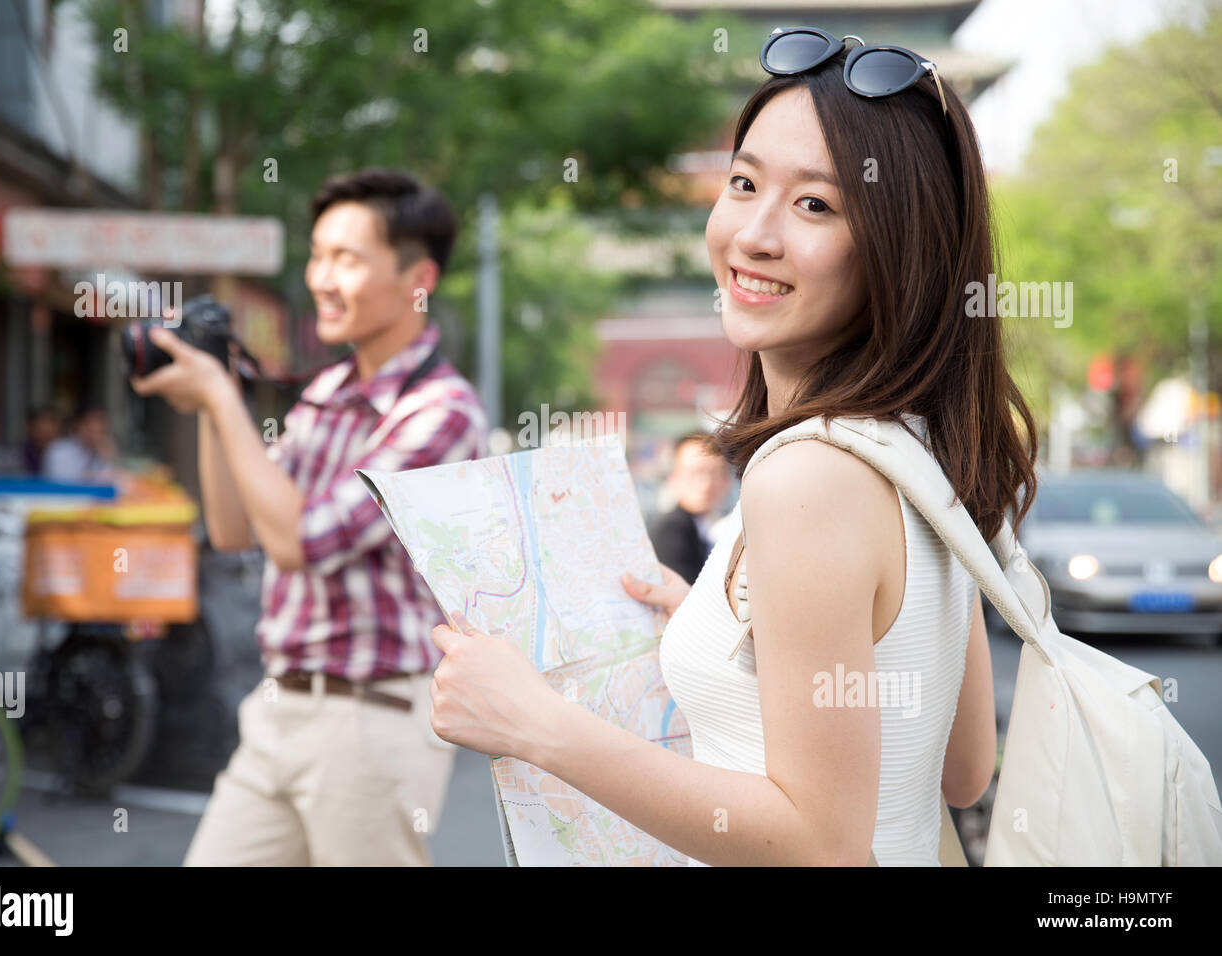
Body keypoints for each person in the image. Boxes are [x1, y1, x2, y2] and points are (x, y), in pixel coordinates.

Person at [425, 28, 1036, 866]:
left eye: (815, 204)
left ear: (901, 250)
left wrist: (537, 725)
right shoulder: (919, 447)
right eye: (743, 183)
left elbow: (820, 842)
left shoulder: (809, 478)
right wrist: (727, 631)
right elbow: (962, 767)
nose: (752, 234)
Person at [131, 168, 488, 866]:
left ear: (419, 278)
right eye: (317, 254)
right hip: (277, 710)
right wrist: (216, 400)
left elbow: (299, 539)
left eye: (347, 259)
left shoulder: (441, 412)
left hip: (370, 721)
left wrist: (225, 403)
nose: (321, 277)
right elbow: (238, 530)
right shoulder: (326, 390)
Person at [646, 431, 732, 585]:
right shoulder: (671, 530)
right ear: (674, 478)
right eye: (695, 473)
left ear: (726, 480)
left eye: (714, 473)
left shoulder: (714, 528)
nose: (705, 484)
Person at [42, 406, 117, 483]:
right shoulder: (59, 450)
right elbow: (62, 481)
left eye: (101, 430)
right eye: (91, 427)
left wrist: (107, 458)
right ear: (79, 425)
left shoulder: (101, 450)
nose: (96, 433)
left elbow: (110, 480)